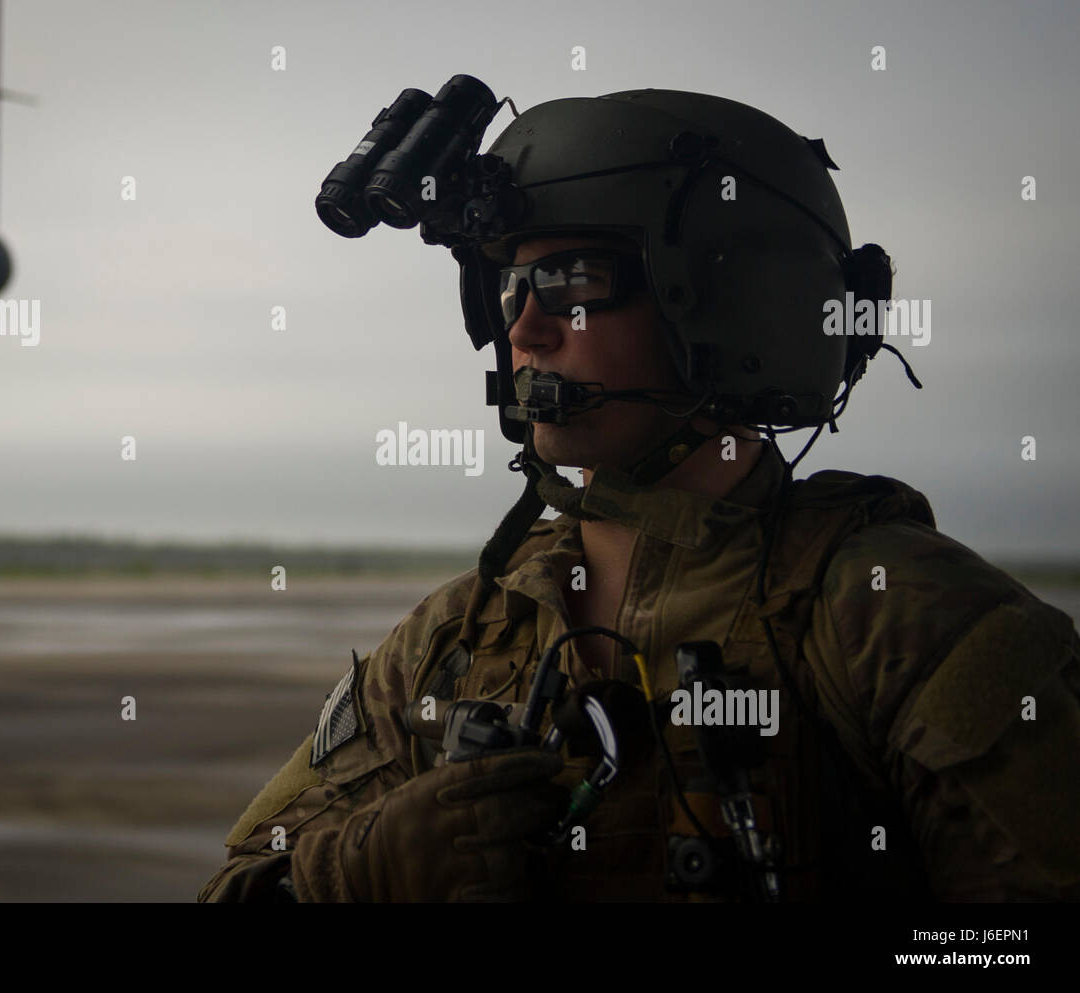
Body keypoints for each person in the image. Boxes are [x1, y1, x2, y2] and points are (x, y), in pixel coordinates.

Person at [198, 88, 1080, 902]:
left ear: (737, 304)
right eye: (510, 285)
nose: (524, 330)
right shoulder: (460, 638)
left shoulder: (902, 618)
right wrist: (354, 876)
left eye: (572, 283)